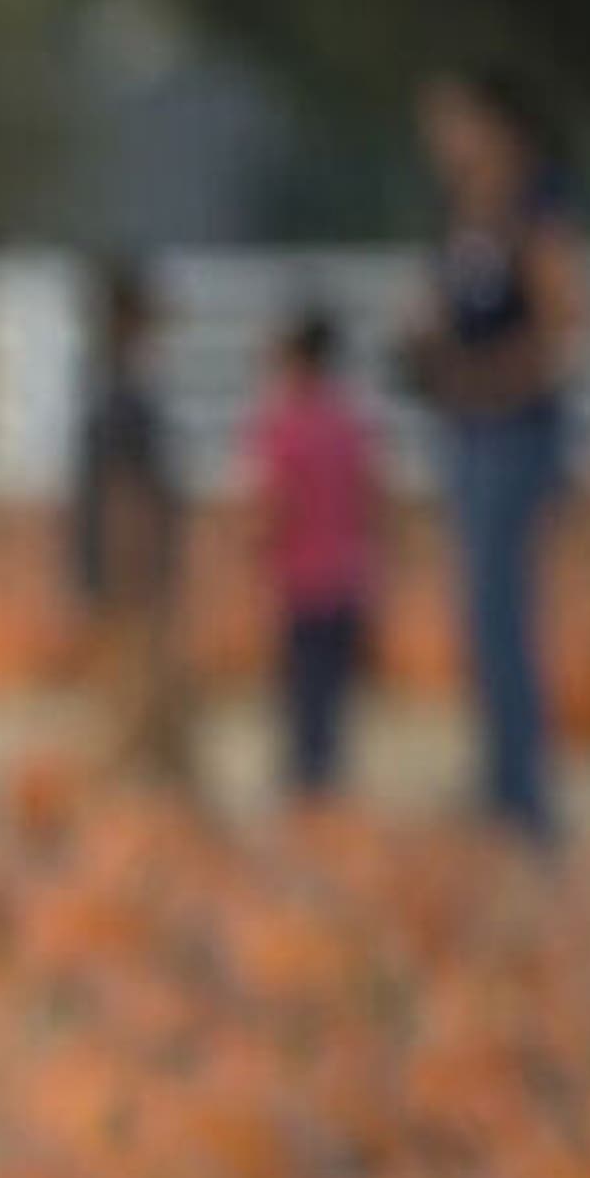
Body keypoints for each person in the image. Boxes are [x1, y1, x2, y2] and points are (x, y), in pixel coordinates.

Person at [399, 65, 590, 843]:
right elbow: (441, 310)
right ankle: (499, 783)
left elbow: (564, 323)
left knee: (505, 616)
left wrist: (488, 380)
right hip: (466, 428)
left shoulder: (537, 208)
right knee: (479, 616)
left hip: (514, 429)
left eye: (453, 123)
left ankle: (524, 802)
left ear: (494, 125)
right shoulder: (459, 215)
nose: (440, 142)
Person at [242, 303, 382, 804]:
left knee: (300, 695)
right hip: (348, 578)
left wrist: (250, 549)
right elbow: (371, 499)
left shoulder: (282, 425)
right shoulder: (351, 421)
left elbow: (275, 504)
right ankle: (328, 788)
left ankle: (306, 795)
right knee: (332, 696)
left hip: (299, 580)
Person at [70, 256, 188, 790]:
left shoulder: (110, 391)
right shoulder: (121, 399)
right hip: (130, 566)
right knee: (134, 691)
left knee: (145, 691)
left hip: (122, 562)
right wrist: (137, 566)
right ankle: (112, 794)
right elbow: (123, 494)